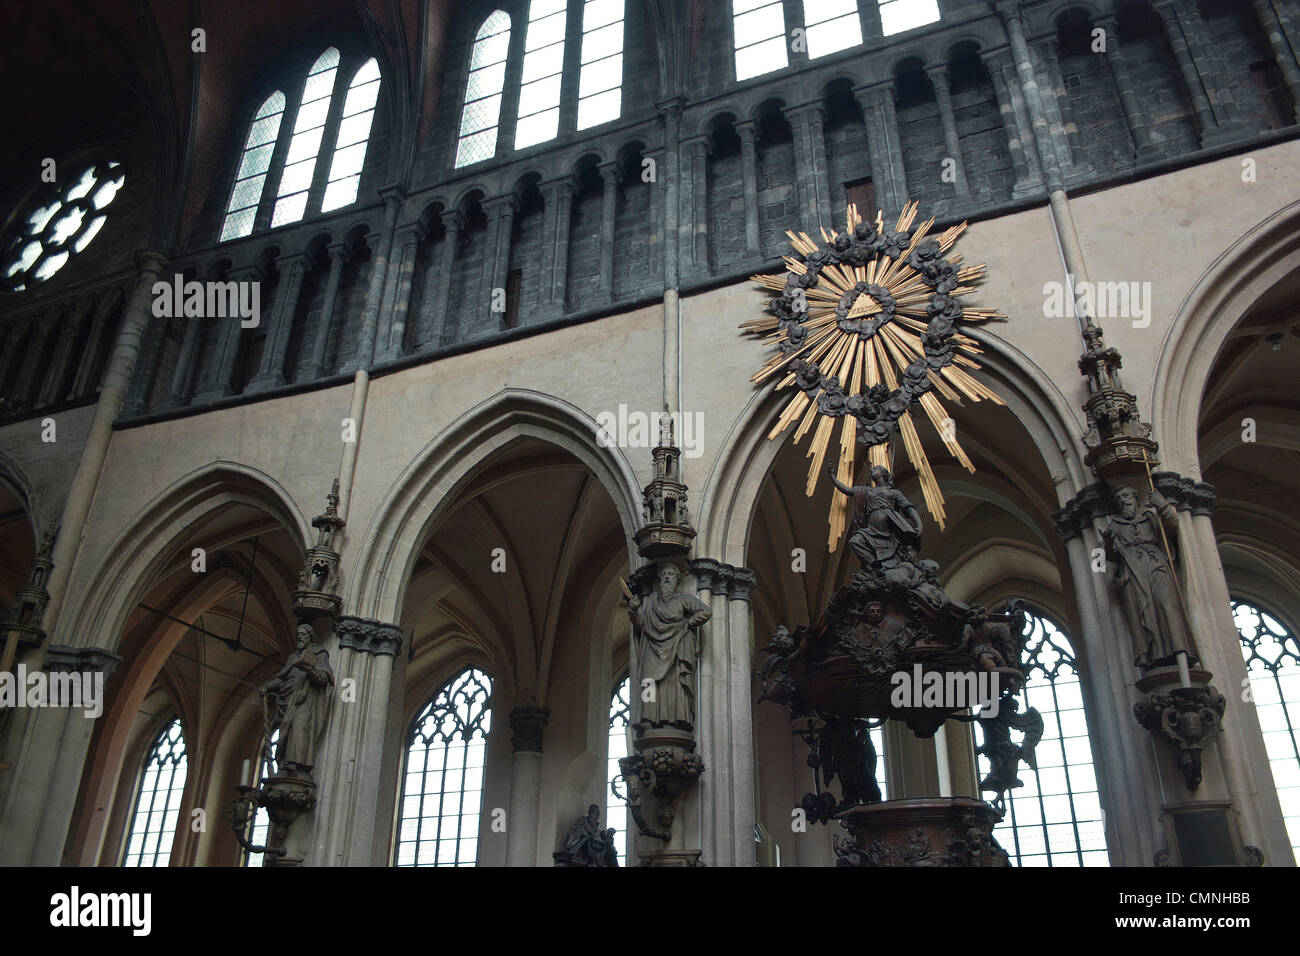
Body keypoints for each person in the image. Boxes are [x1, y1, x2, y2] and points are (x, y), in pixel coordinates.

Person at [1102, 485, 1194, 668]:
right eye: (1119, 498)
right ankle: (1155, 654)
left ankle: (1179, 650)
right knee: (1143, 611)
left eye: (1126, 495)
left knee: (1166, 604)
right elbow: (1110, 558)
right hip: (1132, 569)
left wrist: (1162, 505)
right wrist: (1108, 542)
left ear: (1136, 498)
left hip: (1156, 564)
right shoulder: (1114, 525)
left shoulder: (1150, 517)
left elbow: (1173, 526)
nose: (1123, 500)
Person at [627, 565, 711, 729]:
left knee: (674, 683)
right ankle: (647, 717)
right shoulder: (650, 600)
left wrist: (687, 624)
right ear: (659, 579)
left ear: (677, 580)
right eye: (664, 574)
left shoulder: (683, 599)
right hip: (652, 646)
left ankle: (677, 719)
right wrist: (633, 612)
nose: (667, 577)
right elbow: (640, 625)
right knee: (648, 680)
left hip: (676, 645)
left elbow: (706, 611)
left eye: (671, 574)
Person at [262, 624, 334, 775]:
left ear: (310, 636)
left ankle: (296, 765)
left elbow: (323, 677)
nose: (299, 637)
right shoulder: (292, 657)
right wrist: (268, 687)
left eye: (303, 634)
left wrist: (310, 670)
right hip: (287, 700)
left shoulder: (319, 654)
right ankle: (282, 764)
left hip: (305, 699)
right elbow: (282, 679)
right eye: (298, 635)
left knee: (300, 729)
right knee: (284, 735)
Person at [827, 464, 923, 570]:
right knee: (855, 541)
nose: (872, 469)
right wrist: (832, 475)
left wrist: (919, 524)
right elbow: (846, 490)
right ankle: (875, 565)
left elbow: (908, 508)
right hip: (873, 528)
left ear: (883, 474)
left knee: (903, 549)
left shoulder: (894, 492)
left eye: (875, 468)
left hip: (891, 526)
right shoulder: (867, 490)